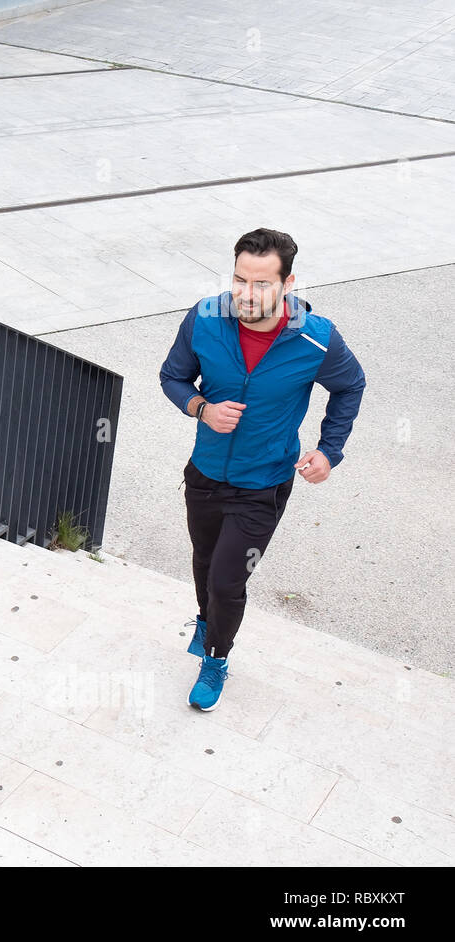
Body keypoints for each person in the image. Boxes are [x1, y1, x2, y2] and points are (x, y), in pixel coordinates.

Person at [158, 227, 366, 712]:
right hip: (205, 473)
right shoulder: (205, 318)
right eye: (239, 281)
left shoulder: (317, 339)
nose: (246, 296)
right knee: (205, 562)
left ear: (288, 283)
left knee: (229, 579)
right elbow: (172, 376)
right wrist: (199, 407)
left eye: (261, 285)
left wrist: (328, 451)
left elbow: (351, 387)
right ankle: (208, 622)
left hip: (264, 483)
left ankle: (216, 659)